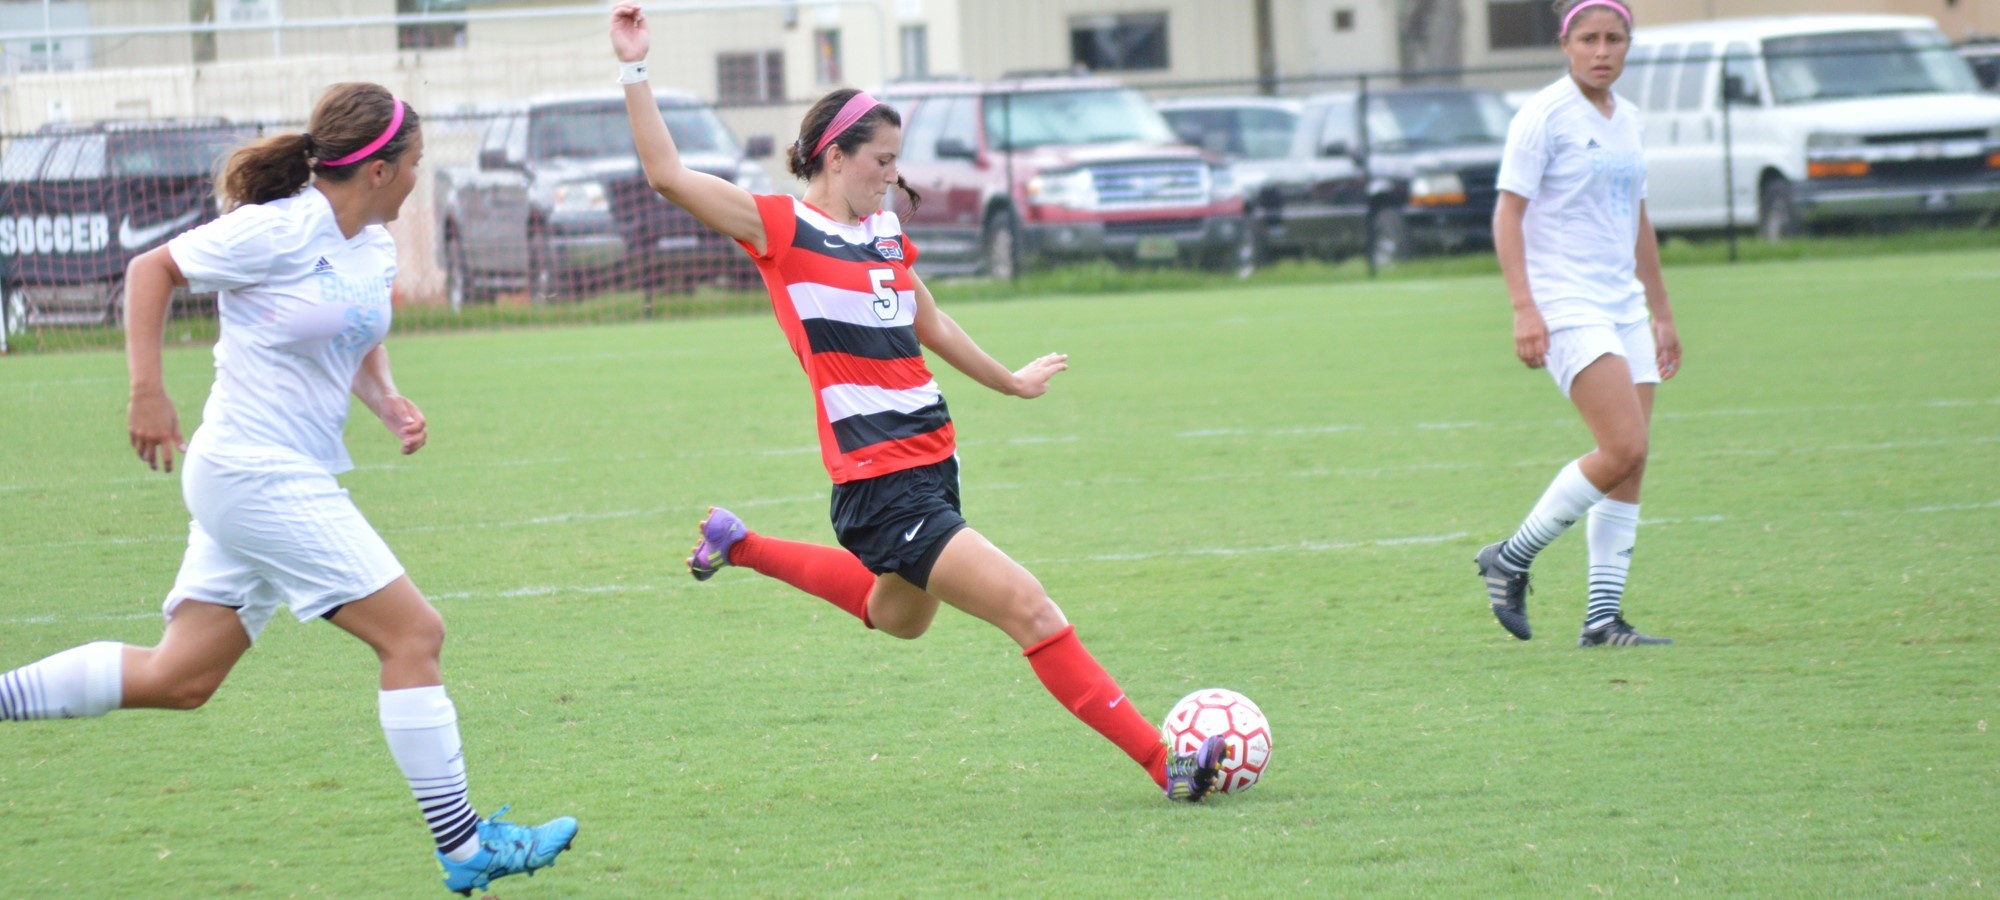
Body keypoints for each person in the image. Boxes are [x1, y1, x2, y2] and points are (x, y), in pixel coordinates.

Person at [608, 3, 1227, 801]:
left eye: (898, 161)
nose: (894, 176)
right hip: (880, 484)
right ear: (835, 157)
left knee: (898, 617)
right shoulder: (779, 228)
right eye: (883, 160)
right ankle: (1165, 764)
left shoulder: (885, 236)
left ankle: (741, 543)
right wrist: (634, 67)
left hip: (935, 466)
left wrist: (1010, 379)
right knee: (1029, 608)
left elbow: (928, 322)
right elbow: (666, 175)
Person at [0, 83, 577, 894]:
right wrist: (146, 393)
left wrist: (386, 400)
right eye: (416, 162)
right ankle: (463, 846)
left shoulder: (373, 243)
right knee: (414, 635)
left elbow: (354, 335)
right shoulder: (276, 229)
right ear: (379, 169)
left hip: (275, 475)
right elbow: (149, 270)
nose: (420, 177)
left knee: (180, 678)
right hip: (254, 472)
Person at [1476, 0, 1682, 647]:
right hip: (1565, 301)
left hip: (1623, 304)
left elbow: (1637, 219)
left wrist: (1662, 311)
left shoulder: (1630, 119)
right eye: (1588, 38)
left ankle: (1601, 619)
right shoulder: (1544, 115)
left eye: (1614, 38)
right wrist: (1523, 307)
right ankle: (1510, 557)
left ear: (1628, 45)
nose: (1601, 50)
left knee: (1631, 462)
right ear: (1565, 44)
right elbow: (1507, 215)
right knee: (1622, 447)